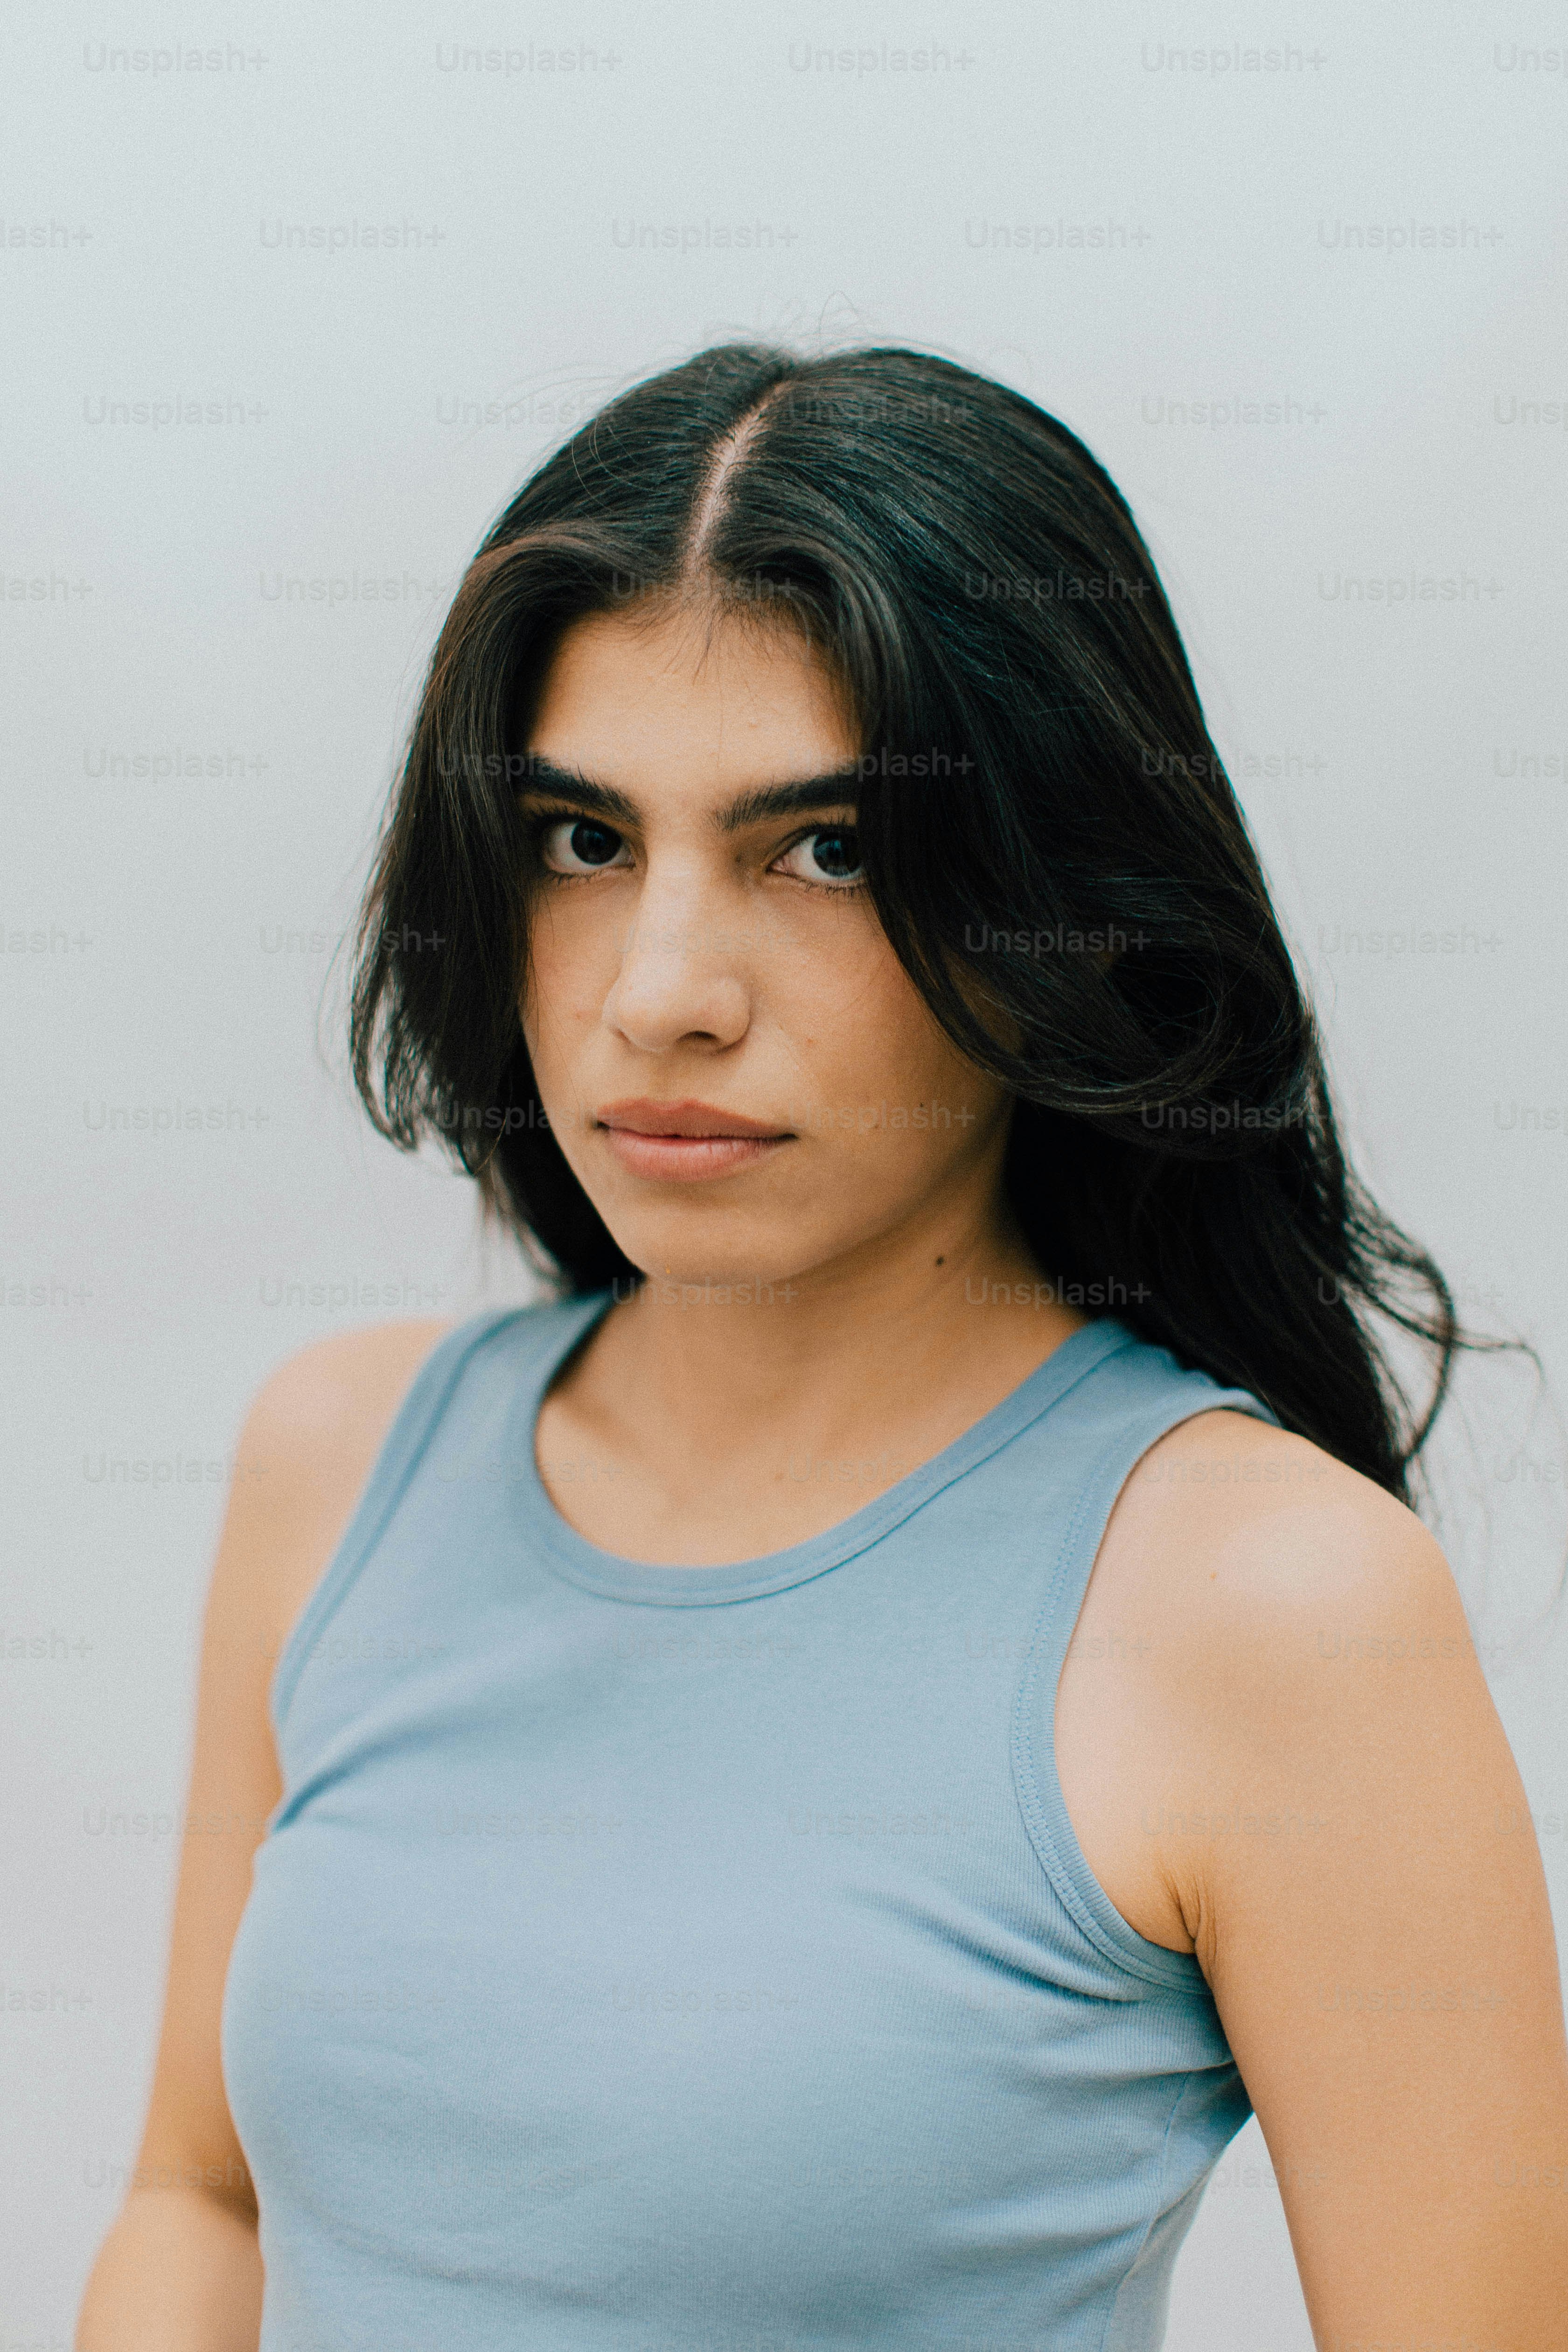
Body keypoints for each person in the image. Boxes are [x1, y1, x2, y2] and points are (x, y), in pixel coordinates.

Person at [78, 344, 1568, 2352]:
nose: (662, 993)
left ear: (1052, 904)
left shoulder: (1271, 1606)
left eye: (828, 848)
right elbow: (204, 2199)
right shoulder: (340, 1463)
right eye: (584, 841)